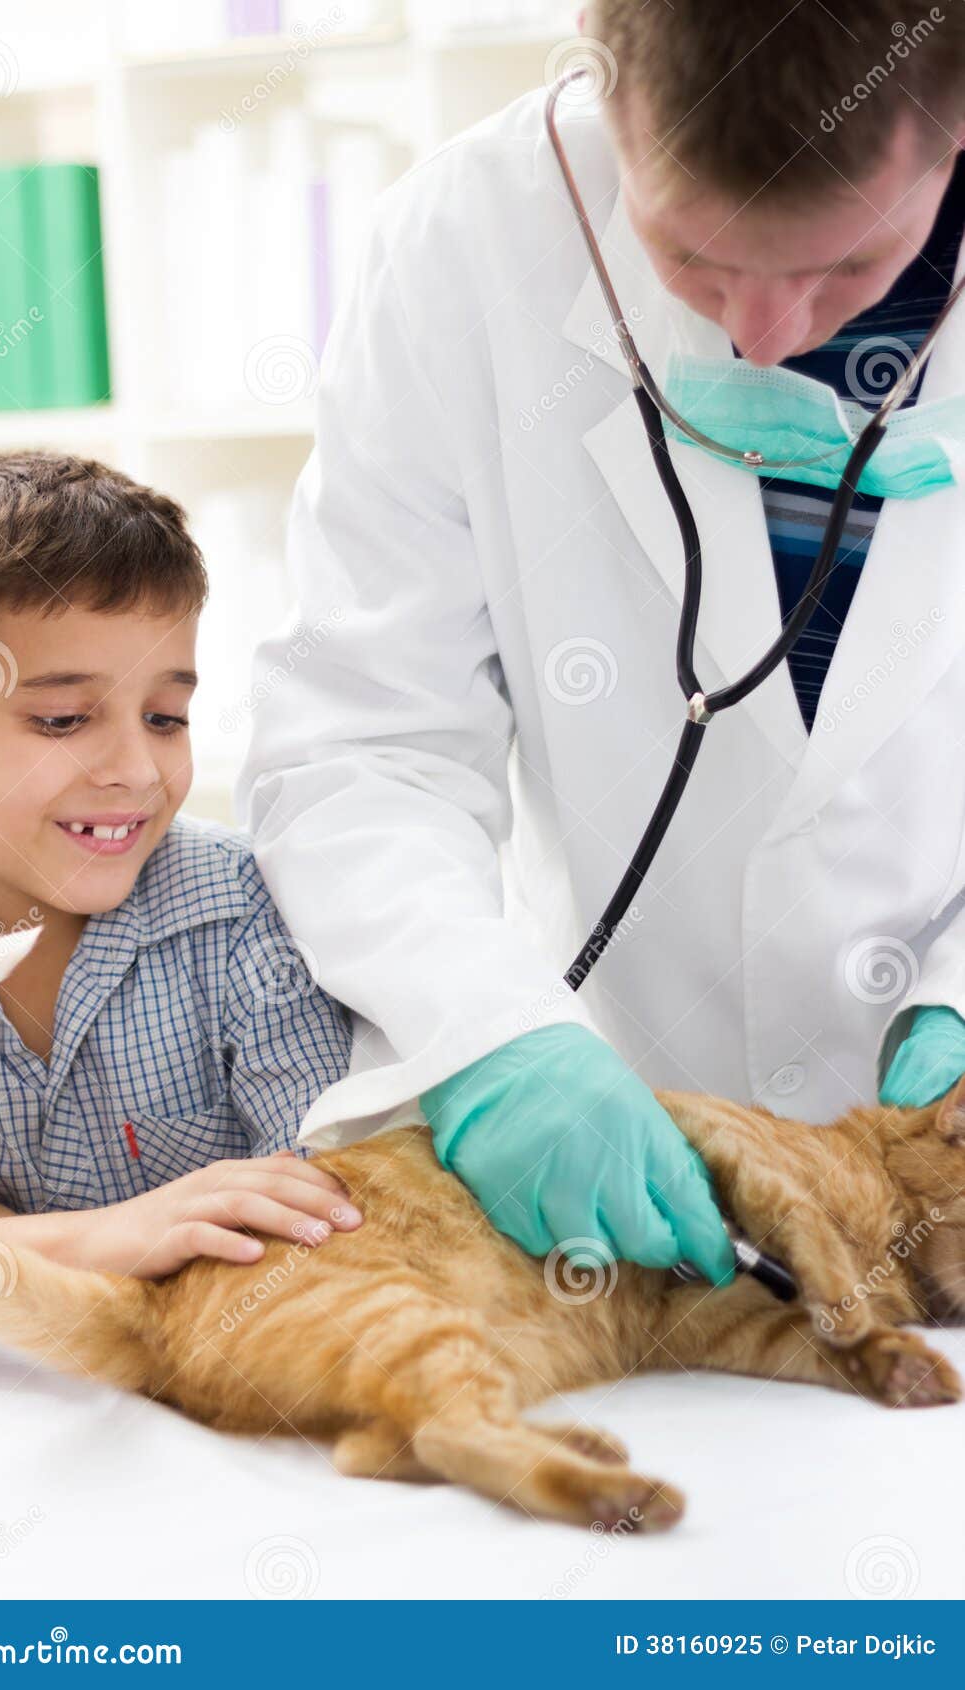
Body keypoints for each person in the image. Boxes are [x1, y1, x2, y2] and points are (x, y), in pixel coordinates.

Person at [237, 0, 965, 1285]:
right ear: (599, 89)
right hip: (614, 1169)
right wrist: (487, 1037)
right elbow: (365, 741)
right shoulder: (467, 243)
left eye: (847, 265)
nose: (765, 331)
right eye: (690, 255)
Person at [0, 452, 361, 1348]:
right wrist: (109, 1236)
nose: (137, 771)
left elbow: (332, 1224)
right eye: (63, 720)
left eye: (165, 718)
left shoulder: (248, 917)